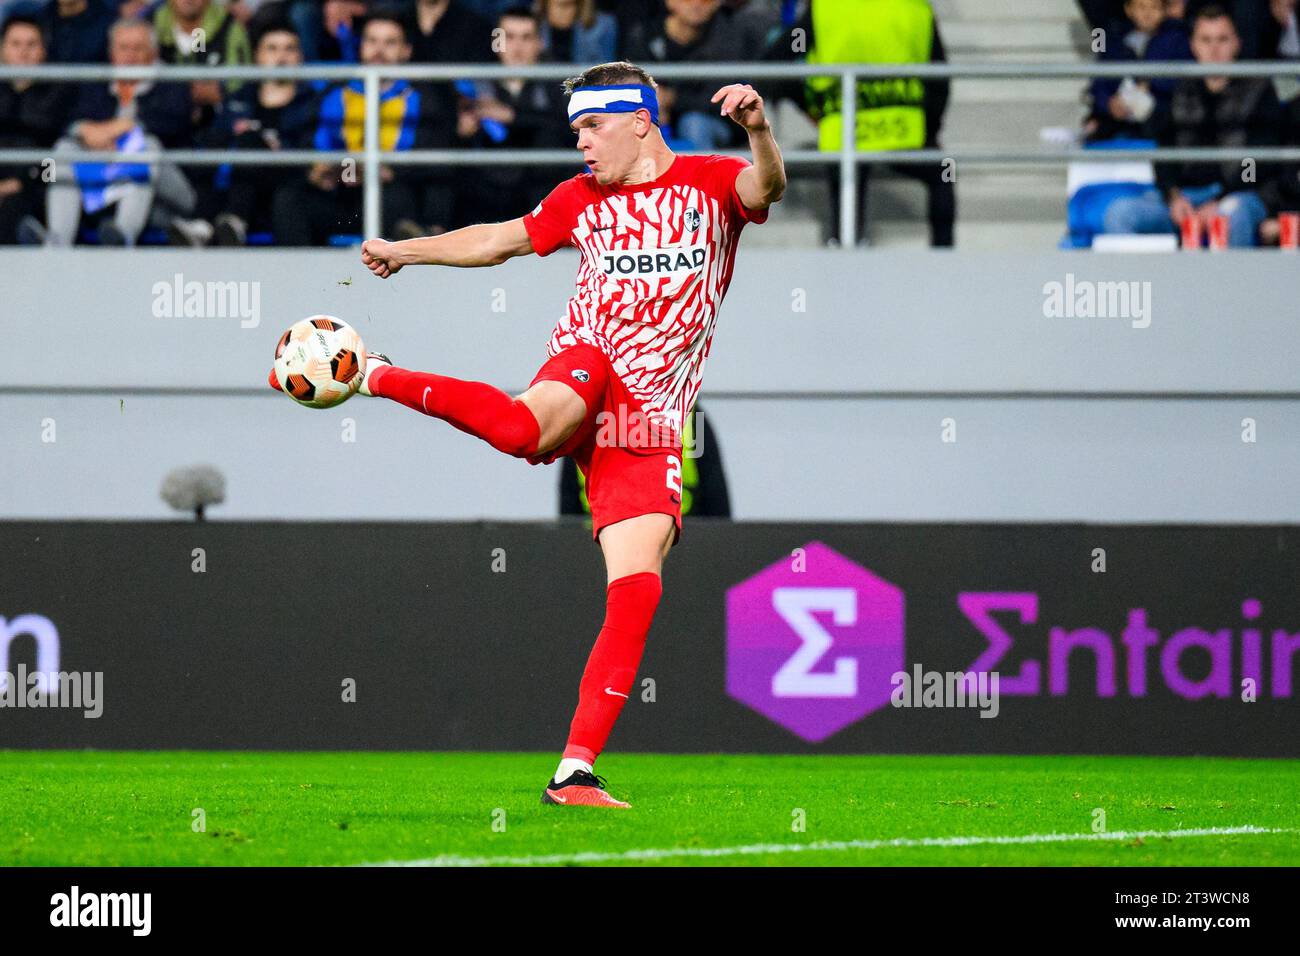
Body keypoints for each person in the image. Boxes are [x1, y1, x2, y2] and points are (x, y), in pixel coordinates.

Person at [268, 60, 786, 806]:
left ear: (641, 120)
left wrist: (761, 131)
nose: (581, 142)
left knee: (637, 591)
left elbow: (765, 188)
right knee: (522, 433)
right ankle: (375, 374)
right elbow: (498, 241)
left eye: (593, 126)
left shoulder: (711, 181)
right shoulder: (580, 199)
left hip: (650, 416)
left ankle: (574, 770)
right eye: (575, 128)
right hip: (589, 360)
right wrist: (406, 251)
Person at [1101, 5, 1282, 246]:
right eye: (1206, 40)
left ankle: (1235, 284)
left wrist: (1220, 200)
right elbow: (1164, 150)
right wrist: (1173, 197)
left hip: (1240, 193)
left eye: (1222, 39)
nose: (1214, 49)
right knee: (1120, 214)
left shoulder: (1259, 88)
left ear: (1237, 43)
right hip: (1187, 195)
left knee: (1232, 214)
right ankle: (1148, 284)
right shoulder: (1180, 87)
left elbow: (1259, 163)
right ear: (1194, 45)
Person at [274, 10, 458, 244]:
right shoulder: (335, 91)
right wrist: (318, 168)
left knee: (399, 196)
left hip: (391, 195)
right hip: (338, 195)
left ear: (406, 51)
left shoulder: (424, 98)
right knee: (291, 197)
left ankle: (409, 257)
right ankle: (294, 276)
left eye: (390, 43)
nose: (378, 50)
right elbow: (305, 139)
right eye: (372, 41)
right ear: (361, 46)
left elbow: (437, 157)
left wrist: (391, 171)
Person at [36, 17, 198, 246]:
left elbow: (172, 124)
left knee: (144, 146)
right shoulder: (97, 83)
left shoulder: (173, 82)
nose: (130, 56)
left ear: (152, 52)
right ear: (111, 52)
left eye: (138, 48)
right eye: (123, 48)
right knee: (64, 148)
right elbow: (71, 119)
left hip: (169, 194)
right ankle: (57, 242)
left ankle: (123, 237)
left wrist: (123, 130)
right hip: (105, 186)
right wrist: (85, 130)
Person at [455, 7, 575, 223]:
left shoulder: (558, 81)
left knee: (548, 142)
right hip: (487, 189)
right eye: (508, 37)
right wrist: (464, 130)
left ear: (539, 43)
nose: (517, 47)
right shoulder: (476, 80)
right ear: (495, 42)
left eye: (526, 38)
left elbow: (566, 128)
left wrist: (512, 116)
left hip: (541, 185)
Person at [205, 20, 319, 245]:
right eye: (272, 48)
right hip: (238, 192)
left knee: (251, 140)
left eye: (290, 49)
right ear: (257, 55)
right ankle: (225, 221)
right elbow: (213, 143)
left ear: (300, 57)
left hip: (289, 193)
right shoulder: (238, 99)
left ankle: (234, 219)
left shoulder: (313, 102)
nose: (281, 57)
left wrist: (278, 149)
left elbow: (314, 155)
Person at [0, 15, 75, 244]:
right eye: (16, 44)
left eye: (31, 44)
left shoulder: (61, 91)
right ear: (2, 49)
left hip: (41, 176)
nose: (23, 52)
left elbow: (58, 146)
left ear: (43, 51)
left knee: (56, 169)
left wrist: (18, 183)